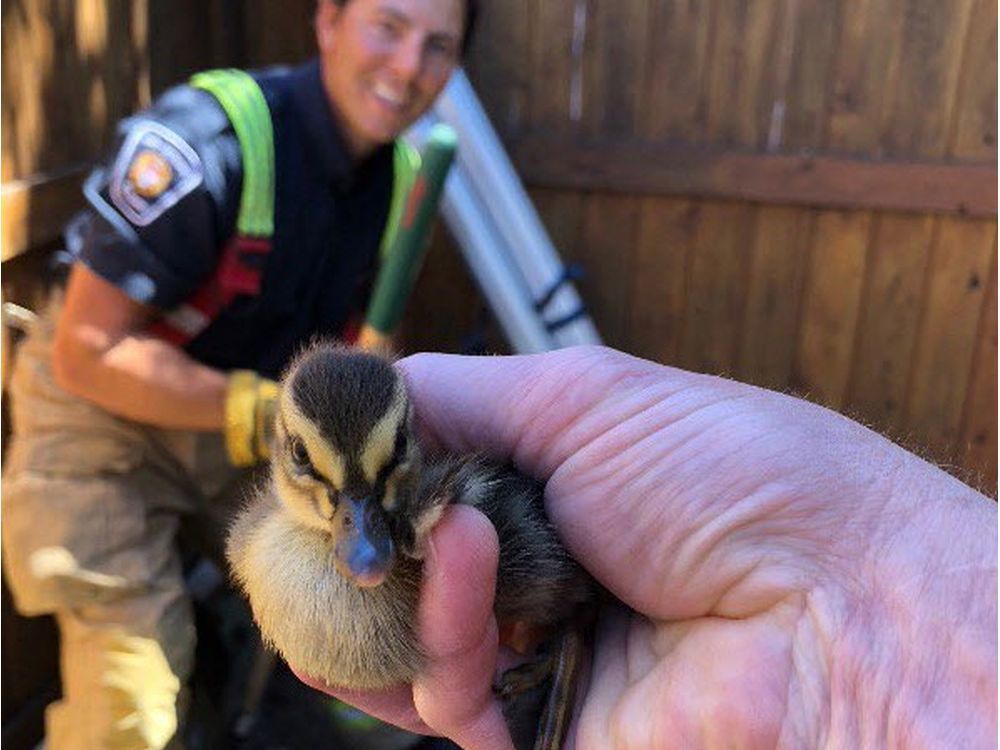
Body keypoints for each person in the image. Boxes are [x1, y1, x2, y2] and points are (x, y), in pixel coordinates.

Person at [1, 0, 474, 747]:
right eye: (388, 26)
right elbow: (85, 351)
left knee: (372, 635)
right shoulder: (207, 142)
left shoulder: (400, 183)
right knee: (131, 708)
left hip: (265, 442)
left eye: (438, 46)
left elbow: (371, 358)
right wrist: (268, 417)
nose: (409, 66)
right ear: (328, 22)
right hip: (101, 422)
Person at [299, 346, 998, 750]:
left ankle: (559, 647)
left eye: (391, 461)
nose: (363, 546)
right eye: (314, 470)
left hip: (582, 602)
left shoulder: (440, 508)